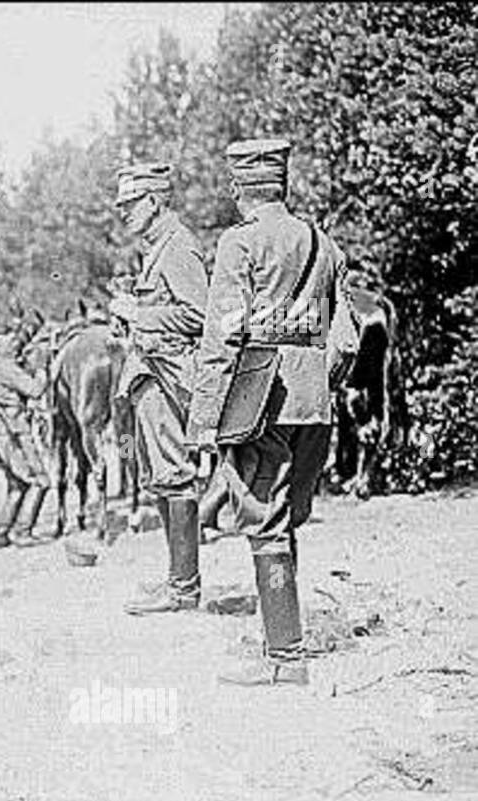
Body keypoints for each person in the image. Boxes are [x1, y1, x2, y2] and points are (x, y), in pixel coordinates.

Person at [187, 138, 361, 687]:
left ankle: (286, 659)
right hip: (313, 399)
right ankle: (281, 642)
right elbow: (349, 339)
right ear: (281, 186)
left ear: (241, 189)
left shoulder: (240, 243)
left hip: (257, 397)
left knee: (264, 520)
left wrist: (204, 421)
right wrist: (317, 379)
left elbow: (223, 335)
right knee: (287, 519)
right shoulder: (323, 243)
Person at [108, 162, 210, 615]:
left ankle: (184, 590)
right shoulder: (157, 248)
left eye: (130, 205)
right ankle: (176, 582)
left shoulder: (178, 247)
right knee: (161, 481)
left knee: (175, 477)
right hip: (151, 374)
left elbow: (200, 316)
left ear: (153, 200)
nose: (123, 214)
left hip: (172, 376)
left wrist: (138, 313)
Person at [0, 322, 50, 548]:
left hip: (0, 431)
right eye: (7, 338)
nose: (13, 342)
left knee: (17, 485)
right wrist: (41, 369)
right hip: (14, 430)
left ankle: (0, 533)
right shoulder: (6, 366)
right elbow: (37, 390)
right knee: (40, 480)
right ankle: (22, 531)